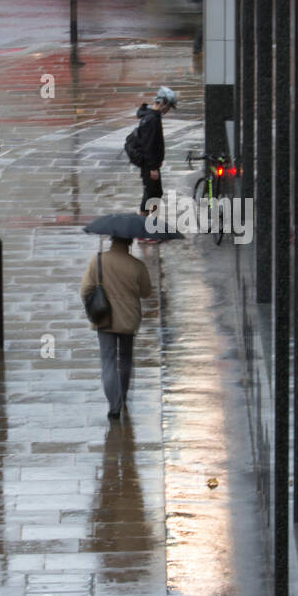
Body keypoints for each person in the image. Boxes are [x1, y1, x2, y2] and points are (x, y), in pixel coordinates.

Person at [80, 237, 153, 422]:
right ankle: (123, 393)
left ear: (111, 240)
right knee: (126, 357)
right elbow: (146, 292)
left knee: (108, 360)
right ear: (130, 242)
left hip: (104, 317)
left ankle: (114, 405)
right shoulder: (136, 265)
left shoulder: (98, 261)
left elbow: (85, 290)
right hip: (129, 318)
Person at [135, 86, 176, 217]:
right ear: (163, 103)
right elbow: (149, 145)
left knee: (153, 193)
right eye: (169, 106)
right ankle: (148, 227)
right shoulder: (152, 119)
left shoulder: (152, 116)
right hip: (149, 165)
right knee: (153, 194)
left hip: (151, 164)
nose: (168, 110)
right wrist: (153, 167)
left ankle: (150, 226)